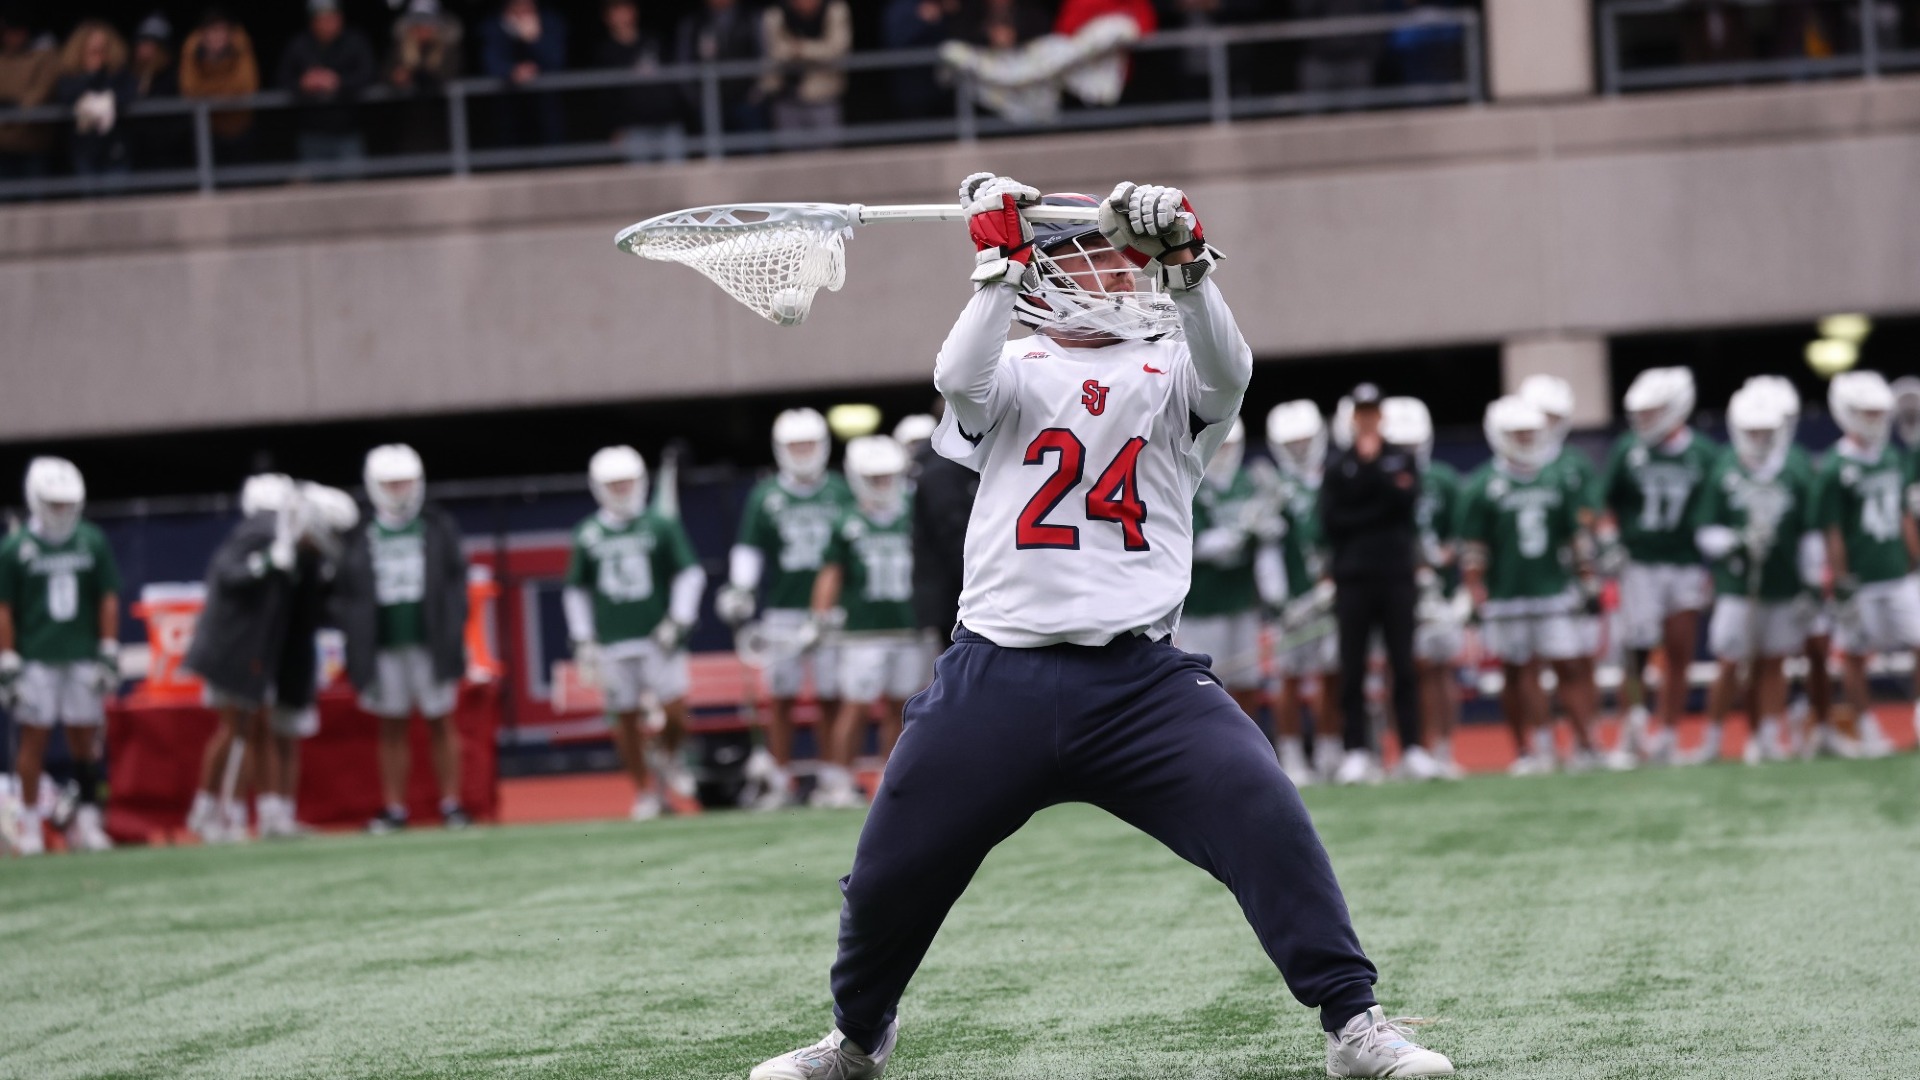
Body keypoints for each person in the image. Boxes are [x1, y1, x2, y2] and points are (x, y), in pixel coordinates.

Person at [749, 176, 1452, 1080]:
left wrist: (1195, 269)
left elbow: (1232, 371)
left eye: (1133, 263)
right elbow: (954, 376)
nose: (1128, 277)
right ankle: (855, 1039)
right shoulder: (1012, 366)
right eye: (1106, 261)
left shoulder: (1170, 371)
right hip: (994, 676)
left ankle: (1355, 1026)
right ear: (1053, 274)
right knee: (890, 872)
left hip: (1140, 683)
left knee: (1266, 816)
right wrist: (994, 269)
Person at [183, 474, 338, 843]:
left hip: (250, 650)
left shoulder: (285, 541)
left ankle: (243, 813)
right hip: (229, 650)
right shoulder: (261, 533)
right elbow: (227, 573)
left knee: (251, 730)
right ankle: (207, 812)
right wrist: (265, 562)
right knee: (234, 729)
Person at [1458, 397, 1602, 774]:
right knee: (1518, 672)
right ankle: (1532, 748)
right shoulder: (1484, 484)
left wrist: (1588, 580)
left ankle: (1586, 744)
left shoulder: (1555, 477)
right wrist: (1474, 591)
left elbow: (1575, 537)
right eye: (1517, 433)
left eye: (1530, 432)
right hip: (1508, 593)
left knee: (1569, 665)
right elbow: (1475, 548)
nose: (1525, 439)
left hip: (1552, 587)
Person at [717, 408, 851, 808]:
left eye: (808, 443)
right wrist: (741, 587)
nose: (803, 451)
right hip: (783, 608)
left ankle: (832, 776)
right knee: (781, 697)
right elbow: (749, 547)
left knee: (831, 695)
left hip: (833, 610)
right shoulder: (767, 495)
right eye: (795, 445)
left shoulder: (841, 490)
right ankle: (778, 777)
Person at [563, 446, 705, 821]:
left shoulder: (660, 524)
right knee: (623, 719)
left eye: (627, 481)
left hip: (658, 637)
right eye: (614, 483)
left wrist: (679, 618)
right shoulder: (588, 533)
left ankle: (670, 757)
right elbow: (576, 589)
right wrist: (583, 637)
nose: (622, 489)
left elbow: (689, 573)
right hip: (612, 639)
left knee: (676, 713)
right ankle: (645, 792)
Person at [338, 445, 471, 832]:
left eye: (405, 482)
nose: (398, 490)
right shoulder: (359, 532)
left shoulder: (437, 525)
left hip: (430, 640)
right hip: (381, 644)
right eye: (390, 483)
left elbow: (455, 580)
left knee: (440, 721)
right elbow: (345, 588)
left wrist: (453, 625)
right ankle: (394, 808)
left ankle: (452, 803)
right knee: (392, 725)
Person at [1597, 367, 1719, 763]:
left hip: (1683, 562)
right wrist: (1609, 538)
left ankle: (1667, 732)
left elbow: (1716, 509)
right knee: (1635, 652)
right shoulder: (1627, 450)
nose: (1645, 421)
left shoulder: (1702, 452)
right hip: (1640, 563)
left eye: (1654, 411)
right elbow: (1603, 503)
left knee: (1680, 650)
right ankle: (1633, 728)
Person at [0, 458, 120, 855]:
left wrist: (107, 649)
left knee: (85, 740)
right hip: (36, 656)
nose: (61, 511)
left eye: (66, 503)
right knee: (33, 739)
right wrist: (7, 658)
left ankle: (87, 822)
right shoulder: (16, 548)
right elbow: (4, 607)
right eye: (53, 503)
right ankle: (31, 825)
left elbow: (107, 596)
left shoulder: (91, 540)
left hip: (81, 653)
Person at [1692, 386, 1817, 765]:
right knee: (1730, 662)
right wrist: (1737, 541)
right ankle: (1712, 739)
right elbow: (1705, 530)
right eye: (1754, 431)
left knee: (1773, 662)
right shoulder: (1726, 466)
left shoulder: (1795, 465)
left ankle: (1766, 737)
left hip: (1782, 581)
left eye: (1767, 431)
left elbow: (1810, 529)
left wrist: (1812, 580)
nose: (1761, 439)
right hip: (1737, 583)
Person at [1319, 383, 1434, 783]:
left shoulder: (1401, 458)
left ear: (1381, 416)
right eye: (1361, 411)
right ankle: (1356, 751)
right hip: (1353, 579)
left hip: (1396, 576)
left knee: (1403, 665)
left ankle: (1413, 748)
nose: (1367, 418)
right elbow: (1333, 521)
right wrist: (1372, 486)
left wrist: (1367, 484)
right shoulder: (1338, 463)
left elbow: (1405, 507)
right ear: (1353, 417)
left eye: (1373, 411)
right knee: (1352, 668)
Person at [808, 435, 923, 808]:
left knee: (900, 707)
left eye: (887, 476)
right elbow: (831, 572)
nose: (882, 484)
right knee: (856, 705)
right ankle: (839, 778)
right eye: (874, 477)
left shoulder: (914, 511)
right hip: (863, 630)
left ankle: (890, 777)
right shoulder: (847, 519)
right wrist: (821, 614)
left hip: (907, 625)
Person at [1817, 370, 1918, 759]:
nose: (1876, 420)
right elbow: (1833, 529)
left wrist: (1914, 559)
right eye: (1868, 412)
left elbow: (1903, 516)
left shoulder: (1892, 456)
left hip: (1898, 573)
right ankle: (1866, 726)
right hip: (1861, 578)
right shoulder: (1835, 466)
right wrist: (1840, 578)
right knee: (1855, 654)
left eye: (1879, 412)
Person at [1517, 374, 1617, 763]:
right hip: (1530, 577)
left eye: (1553, 416)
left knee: (1579, 659)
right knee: (1528, 664)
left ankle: (1584, 737)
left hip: (1572, 573)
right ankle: (1541, 744)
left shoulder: (1573, 463)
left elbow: (1592, 516)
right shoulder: (1514, 465)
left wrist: (1600, 548)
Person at [1265, 398, 1340, 783]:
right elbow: (1267, 550)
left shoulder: (1336, 478)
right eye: (1291, 442)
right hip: (1293, 602)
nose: (1299, 448)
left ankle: (1330, 752)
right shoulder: (1274, 487)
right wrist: (1279, 600)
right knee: (1289, 679)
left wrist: (1336, 580)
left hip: (1332, 596)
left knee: (1332, 674)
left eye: (1304, 440)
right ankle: (1291, 758)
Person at [1395, 396, 1468, 778]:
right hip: (1398, 586)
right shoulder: (1383, 475)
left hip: (1439, 589)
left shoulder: (1441, 478)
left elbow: (1462, 532)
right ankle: (1414, 748)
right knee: (1410, 669)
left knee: (1441, 670)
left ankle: (1444, 746)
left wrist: (1445, 557)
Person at [1182, 417, 1268, 723]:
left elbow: (1269, 544)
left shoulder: (1249, 482)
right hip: (1202, 603)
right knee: (1206, 683)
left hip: (1242, 598)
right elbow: (1191, 542)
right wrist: (1237, 533)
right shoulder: (1190, 478)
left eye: (1229, 445)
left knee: (1247, 680)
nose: (1223, 452)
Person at [908, 401, 977, 653]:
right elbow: (954, 538)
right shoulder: (943, 470)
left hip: (953, 594)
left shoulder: (948, 463)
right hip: (953, 598)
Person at [278, 0, 375, 169]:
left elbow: (369, 74)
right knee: (314, 191)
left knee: (353, 188)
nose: (329, 23)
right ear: (313, 22)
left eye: (333, 17)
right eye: (323, 19)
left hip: (348, 131)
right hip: (311, 132)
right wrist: (303, 83)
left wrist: (338, 82)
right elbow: (281, 79)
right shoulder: (299, 44)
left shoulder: (354, 41)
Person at [594, 0, 685, 163]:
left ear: (634, 11)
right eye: (616, 10)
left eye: (625, 9)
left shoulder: (654, 41)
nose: (622, 15)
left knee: (677, 177)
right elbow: (605, 96)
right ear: (607, 17)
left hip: (667, 122)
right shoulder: (605, 53)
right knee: (641, 181)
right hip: (633, 128)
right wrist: (615, 128)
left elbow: (675, 80)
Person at [54, 20, 135, 182]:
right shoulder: (70, 77)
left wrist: (105, 94)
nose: (97, 55)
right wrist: (90, 75)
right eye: (92, 51)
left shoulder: (120, 74)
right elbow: (66, 97)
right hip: (83, 150)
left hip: (115, 149)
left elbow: (128, 96)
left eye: (102, 50)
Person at [761, 0, 851, 143]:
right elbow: (775, 51)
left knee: (828, 154)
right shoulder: (776, 14)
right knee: (792, 156)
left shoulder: (834, 10)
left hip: (823, 96)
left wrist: (801, 49)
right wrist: (816, 51)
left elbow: (837, 50)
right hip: (787, 95)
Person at [482, 0, 569, 147]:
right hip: (509, 109)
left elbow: (556, 61)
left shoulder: (551, 22)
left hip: (545, 109)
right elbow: (490, 62)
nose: (523, 8)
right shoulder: (492, 26)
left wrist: (534, 40)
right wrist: (512, 71)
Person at [675, 0, 766, 135]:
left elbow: (764, 55)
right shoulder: (694, 23)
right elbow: (683, 63)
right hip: (709, 103)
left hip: (746, 101)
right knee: (712, 149)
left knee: (753, 145)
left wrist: (758, 91)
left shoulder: (751, 18)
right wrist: (696, 98)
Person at [178, 9, 259, 162]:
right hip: (206, 130)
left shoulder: (240, 47)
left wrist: (207, 94)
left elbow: (246, 87)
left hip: (240, 128)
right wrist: (226, 93)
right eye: (213, 31)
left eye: (222, 31)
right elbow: (189, 91)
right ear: (203, 35)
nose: (218, 37)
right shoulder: (192, 50)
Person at [387, 0, 463, 155]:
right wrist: (396, 76)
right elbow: (385, 72)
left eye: (427, 22)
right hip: (408, 121)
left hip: (441, 118)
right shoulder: (400, 48)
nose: (423, 28)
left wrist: (420, 73)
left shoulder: (447, 49)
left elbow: (449, 74)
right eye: (418, 23)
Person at [0, 7, 58, 182]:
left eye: (13, 32)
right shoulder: (3, 58)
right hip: (3, 145)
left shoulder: (44, 57)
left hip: (32, 142)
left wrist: (15, 108)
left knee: (34, 203)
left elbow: (41, 92)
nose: (9, 37)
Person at [127, 14, 189, 171]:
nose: (145, 50)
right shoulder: (131, 75)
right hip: (139, 153)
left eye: (151, 45)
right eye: (142, 44)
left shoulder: (175, 76)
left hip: (170, 152)